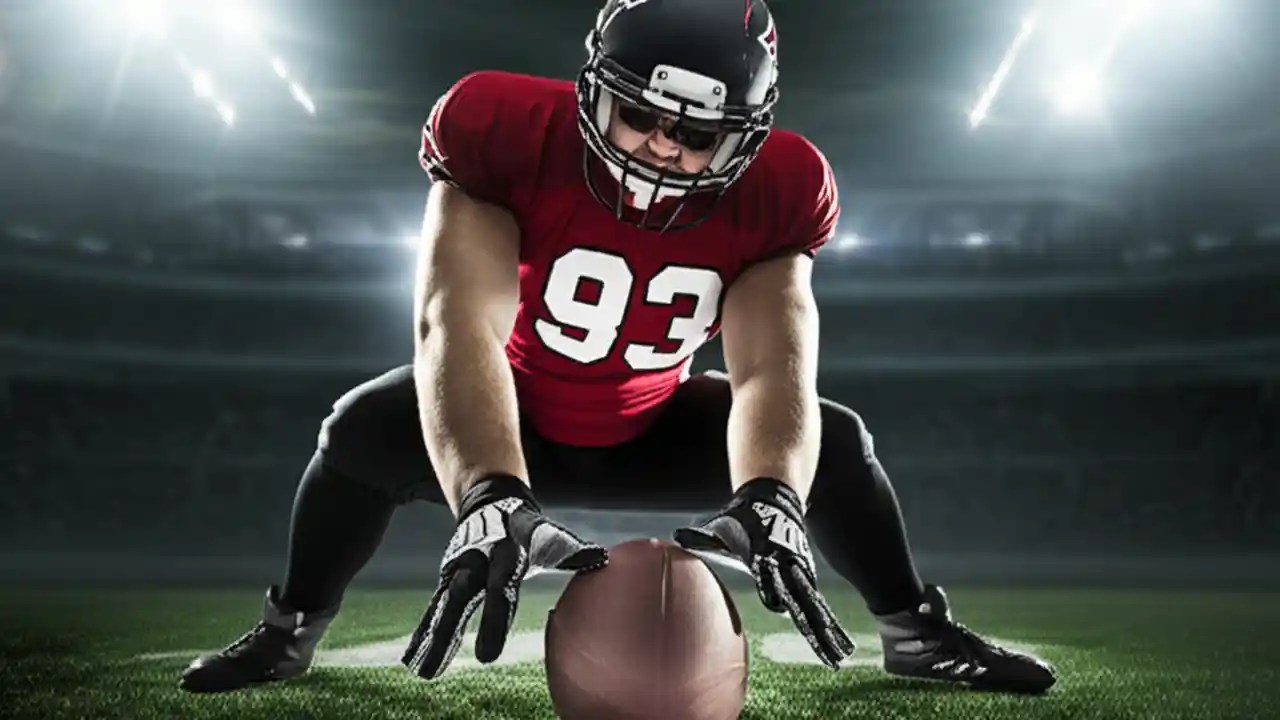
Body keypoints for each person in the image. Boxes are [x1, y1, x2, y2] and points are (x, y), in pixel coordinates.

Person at [181, 0, 1055, 695]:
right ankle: (287, 633)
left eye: (698, 134)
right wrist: (487, 491)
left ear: (744, 139)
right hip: (511, 413)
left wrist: (771, 495)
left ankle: (915, 632)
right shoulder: (503, 128)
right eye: (639, 113)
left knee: (837, 442)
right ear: (592, 90)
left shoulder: (783, 187)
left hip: (652, 421)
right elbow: (459, 323)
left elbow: (771, 364)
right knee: (360, 432)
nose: (665, 144)